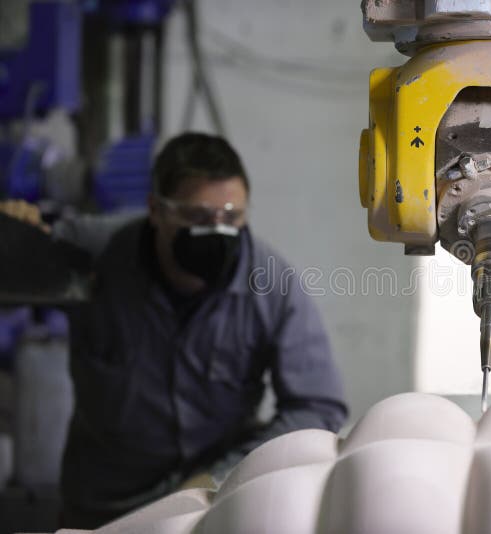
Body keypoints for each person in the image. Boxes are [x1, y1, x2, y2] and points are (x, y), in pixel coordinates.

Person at [1, 133, 348, 528]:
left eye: (231, 218)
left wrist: (222, 476)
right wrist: (14, 239)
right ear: (156, 210)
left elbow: (317, 407)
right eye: (198, 218)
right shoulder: (96, 253)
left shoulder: (271, 286)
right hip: (104, 510)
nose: (217, 230)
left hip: (213, 508)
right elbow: (11, 281)